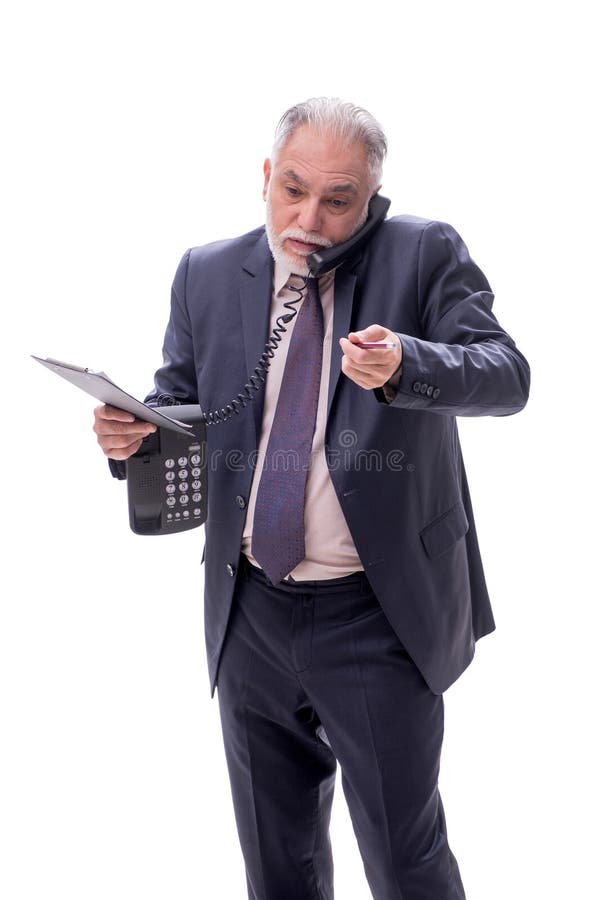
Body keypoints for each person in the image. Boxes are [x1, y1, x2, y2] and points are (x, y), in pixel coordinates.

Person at [93, 98, 530, 899]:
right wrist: (134, 441)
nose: (309, 219)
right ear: (265, 177)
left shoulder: (423, 253)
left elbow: (506, 377)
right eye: (292, 189)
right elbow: (181, 402)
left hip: (377, 613)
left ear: (372, 199)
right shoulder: (206, 272)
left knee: (404, 860)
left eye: (338, 200)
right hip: (248, 609)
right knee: (274, 862)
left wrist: (407, 362)